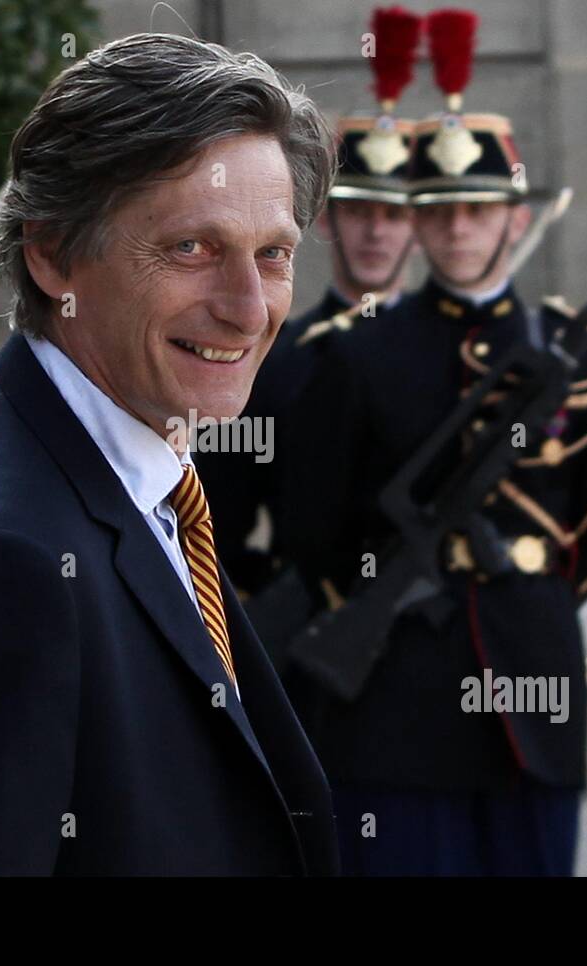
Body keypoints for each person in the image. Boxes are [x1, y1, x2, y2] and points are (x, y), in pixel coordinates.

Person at [0, 32, 341, 875]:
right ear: (53, 253)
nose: (249, 309)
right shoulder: (5, 560)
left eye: (272, 255)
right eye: (192, 248)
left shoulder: (115, 476)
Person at [281, 8, 587, 876]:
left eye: (479, 210)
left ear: (515, 219)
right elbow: (312, 526)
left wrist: (530, 600)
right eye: (439, 213)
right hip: (398, 696)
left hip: (532, 686)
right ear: (417, 222)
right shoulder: (359, 356)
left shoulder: (575, 358)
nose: (459, 229)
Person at [196, 6, 422, 596]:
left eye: (393, 215)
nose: (375, 233)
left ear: (418, 226)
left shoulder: (449, 352)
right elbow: (220, 524)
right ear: (325, 221)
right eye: (359, 212)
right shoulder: (273, 356)